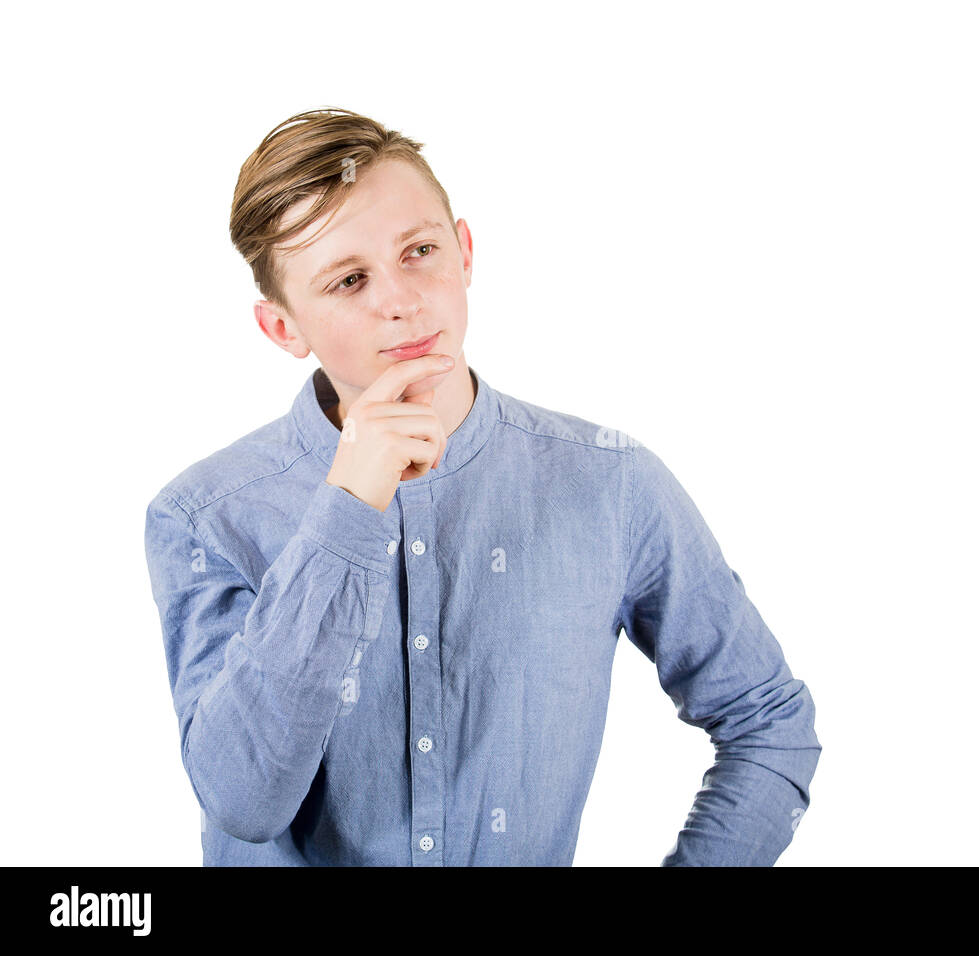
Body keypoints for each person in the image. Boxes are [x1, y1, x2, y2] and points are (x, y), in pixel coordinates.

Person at [142, 107, 822, 866]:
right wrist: (346, 513)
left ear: (465, 252)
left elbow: (768, 721)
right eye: (349, 279)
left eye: (420, 251)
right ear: (283, 328)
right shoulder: (206, 514)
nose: (399, 299)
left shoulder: (609, 483)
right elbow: (243, 800)